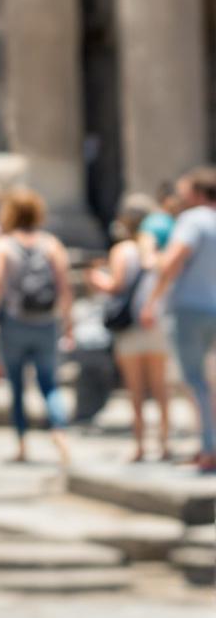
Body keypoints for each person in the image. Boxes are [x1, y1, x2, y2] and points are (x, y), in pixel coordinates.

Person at [0, 184, 73, 467]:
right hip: (45, 322)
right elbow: (64, 287)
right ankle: (59, 430)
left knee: (17, 386)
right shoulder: (52, 244)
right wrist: (68, 324)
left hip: (14, 322)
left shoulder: (2, 245)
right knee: (50, 384)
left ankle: (21, 444)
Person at [141, 166, 216, 472]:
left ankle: (209, 449)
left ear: (197, 193)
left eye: (184, 192)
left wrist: (150, 260)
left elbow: (169, 264)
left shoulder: (193, 220)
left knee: (194, 381)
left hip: (188, 310)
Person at [91, 196, 171, 464]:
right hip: (155, 322)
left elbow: (116, 285)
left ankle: (139, 445)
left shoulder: (123, 250)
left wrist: (97, 279)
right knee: (160, 387)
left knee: (136, 389)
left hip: (130, 327)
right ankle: (165, 443)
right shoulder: (160, 249)